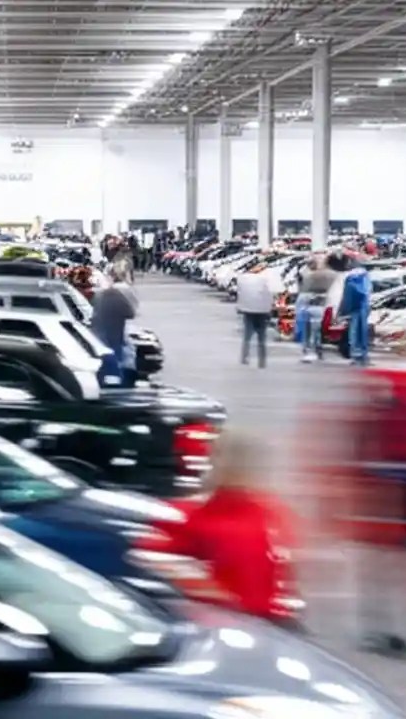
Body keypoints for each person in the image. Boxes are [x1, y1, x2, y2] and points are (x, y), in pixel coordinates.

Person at [136, 430, 299, 624]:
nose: (241, 470)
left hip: (266, 627)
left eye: (246, 463)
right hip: (219, 626)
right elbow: (149, 559)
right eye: (234, 461)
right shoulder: (186, 517)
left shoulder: (273, 513)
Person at [91, 264, 137, 386]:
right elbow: (131, 313)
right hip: (116, 335)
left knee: (104, 364)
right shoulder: (119, 295)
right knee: (118, 363)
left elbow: (93, 313)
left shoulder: (99, 295)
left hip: (98, 336)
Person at [297, 256, 338, 362]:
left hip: (307, 305)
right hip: (319, 306)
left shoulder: (308, 275)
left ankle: (308, 351)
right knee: (316, 330)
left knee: (307, 330)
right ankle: (317, 350)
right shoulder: (330, 275)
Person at [236, 269, 276, 368]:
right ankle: (262, 361)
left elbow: (240, 294)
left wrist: (240, 308)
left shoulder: (245, 280)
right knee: (261, 338)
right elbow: (270, 297)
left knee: (247, 336)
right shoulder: (267, 281)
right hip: (262, 313)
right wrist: (269, 310)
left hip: (249, 311)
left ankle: (245, 357)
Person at [340, 261, 373, 365]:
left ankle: (355, 354)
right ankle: (363, 354)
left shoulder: (349, 278)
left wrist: (344, 310)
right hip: (363, 306)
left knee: (353, 332)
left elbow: (347, 296)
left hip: (354, 308)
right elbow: (368, 292)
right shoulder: (365, 277)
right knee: (362, 332)